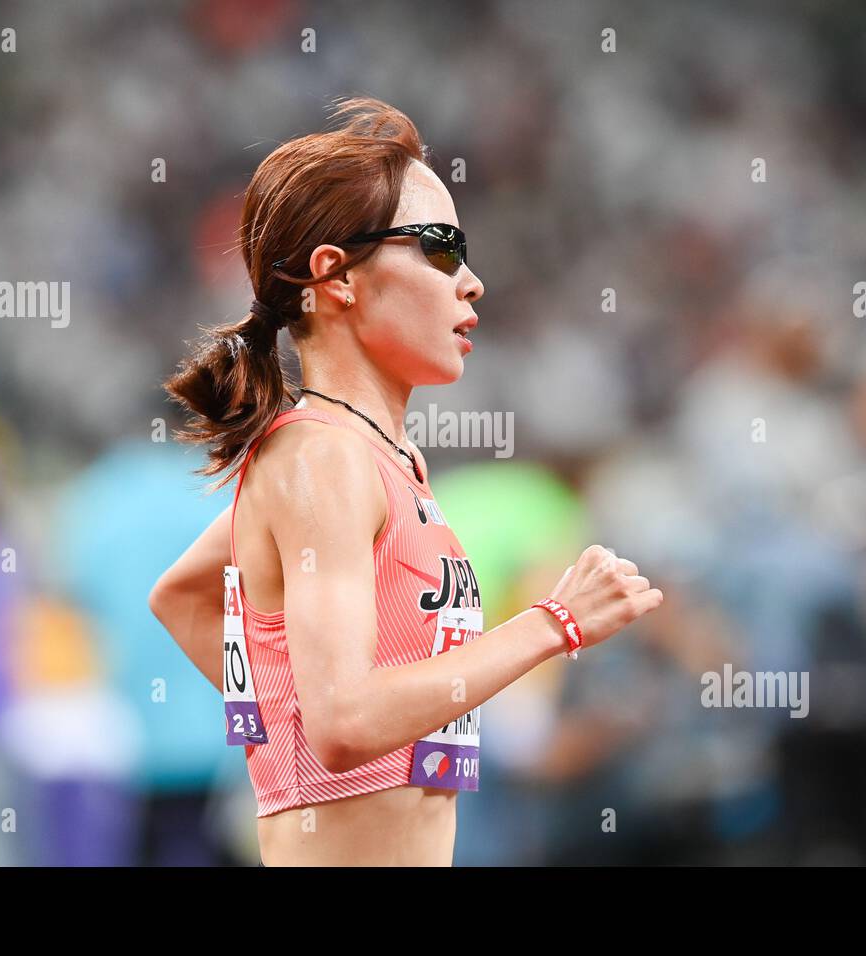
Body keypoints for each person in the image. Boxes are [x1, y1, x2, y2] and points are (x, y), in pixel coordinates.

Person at [148, 96, 663, 866]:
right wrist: (553, 622)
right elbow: (345, 722)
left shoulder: (367, 459)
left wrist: (280, 720)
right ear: (337, 277)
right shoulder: (321, 458)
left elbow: (182, 594)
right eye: (441, 248)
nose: (472, 283)